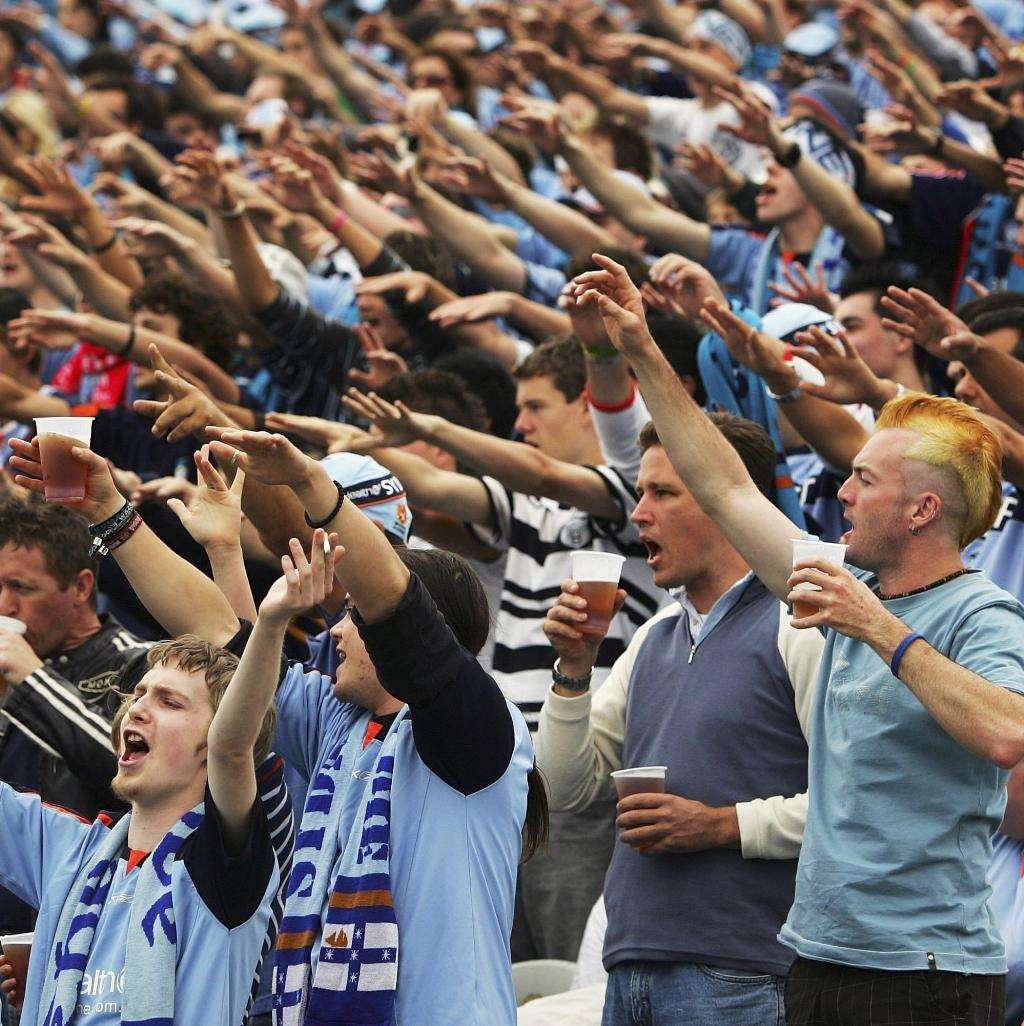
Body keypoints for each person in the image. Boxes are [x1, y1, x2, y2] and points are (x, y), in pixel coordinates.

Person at [569, 254, 1024, 1026]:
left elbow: (1009, 732)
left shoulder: (980, 612)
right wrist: (642, 349)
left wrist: (878, 627)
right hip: (816, 957)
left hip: (925, 972)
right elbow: (724, 486)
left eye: (865, 481)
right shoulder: (844, 579)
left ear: (920, 512)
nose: (840, 491)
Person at [202, 424, 542, 1026]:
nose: (334, 631)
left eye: (354, 616)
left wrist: (311, 482)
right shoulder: (340, 718)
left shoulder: (474, 731)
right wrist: (119, 519)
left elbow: (396, 602)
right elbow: (232, 654)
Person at [0, 433, 327, 1026]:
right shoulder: (70, 853)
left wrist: (273, 623)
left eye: (171, 703)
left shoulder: (225, 862)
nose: (137, 710)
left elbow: (236, 741)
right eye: (139, 694)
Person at [537, 414, 823, 1024]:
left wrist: (720, 826)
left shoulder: (799, 625)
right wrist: (573, 669)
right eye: (641, 492)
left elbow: (856, 803)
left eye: (663, 493)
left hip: (748, 971)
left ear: (730, 502)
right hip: (632, 965)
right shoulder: (651, 637)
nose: (639, 513)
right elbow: (561, 789)